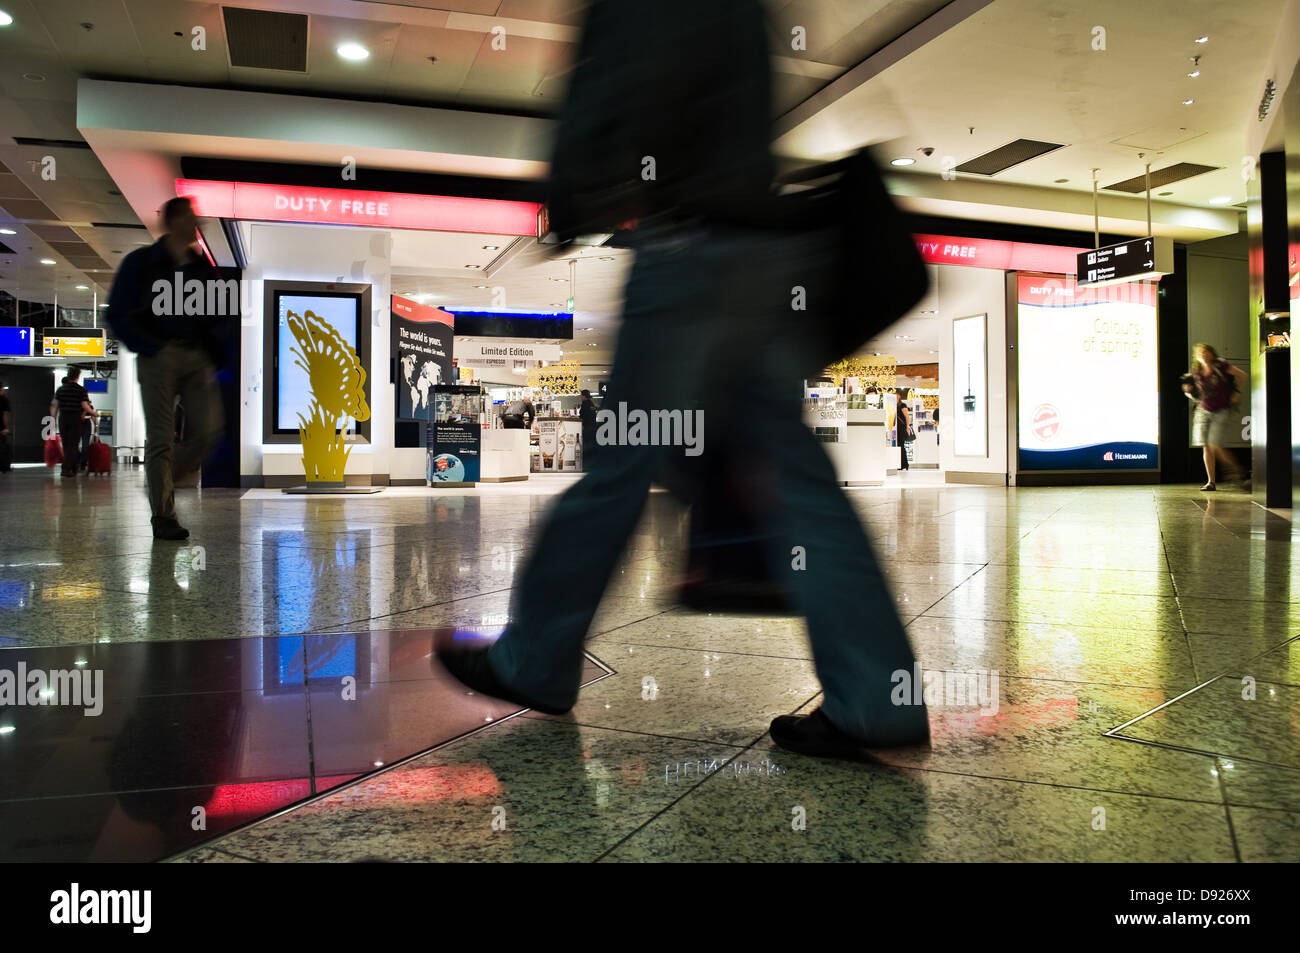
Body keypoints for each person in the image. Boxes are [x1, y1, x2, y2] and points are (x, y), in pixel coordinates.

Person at [438, 0, 929, 760]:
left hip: (690, 250)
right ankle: (877, 693)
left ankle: (534, 657)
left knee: (620, 462)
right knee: (799, 479)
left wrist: (573, 191)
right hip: (767, 251)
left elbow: (627, 77)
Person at [105, 196, 230, 539]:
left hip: (195, 358)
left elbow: (217, 318)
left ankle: (166, 479)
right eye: (192, 217)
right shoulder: (141, 263)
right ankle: (164, 516)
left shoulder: (201, 269)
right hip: (157, 356)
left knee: (208, 430)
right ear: (173, 222)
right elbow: (117, 314)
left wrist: (211, 358)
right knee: (160, 437)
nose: (198, 224)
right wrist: (149, 347)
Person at [1184, 343, 1248, 491]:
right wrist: (1188, 391)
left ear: (1212, 354)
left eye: (1207, 352)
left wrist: (1236, 394)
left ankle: (1237, 472)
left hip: (1221, 410)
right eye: (1201, 353)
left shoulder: (1221, 366)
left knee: (1215, 445)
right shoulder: (1196, 372)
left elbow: (1242, 375)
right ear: (1197, 357)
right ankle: (1211, 482)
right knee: (1206, 447)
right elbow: (1190, 391)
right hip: (1203, 410)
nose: (1204, 355)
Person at [51, 370, 97, 479]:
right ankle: (66, 468)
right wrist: (93, 413)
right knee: (73, 444)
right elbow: (85, 405)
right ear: (78, 376)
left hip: (63, 419)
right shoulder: (81, 390)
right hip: (75, 419)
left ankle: (72, 467)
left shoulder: (61, 389)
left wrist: (53, 418)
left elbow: (54, 405)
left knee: (66, 444)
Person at [578, 389, 597, 461]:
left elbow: (582, 415)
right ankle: (592, 460)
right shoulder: (591, 403)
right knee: (591, 443)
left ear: (584, 396)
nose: (581, 397)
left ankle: (587, 461)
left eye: (581, 396)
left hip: (587, 426)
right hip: (592, 426)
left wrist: (578, 418)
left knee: (586, 444)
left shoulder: (585, 403)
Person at [896, 391, 913, 471]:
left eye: (896, 395)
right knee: (898, 446)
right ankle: (900, 464)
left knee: (901, 446)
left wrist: (907, 427)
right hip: (896, 428)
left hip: (901, 428)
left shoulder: (902, 405)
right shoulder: (893, 405)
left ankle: (904, 464)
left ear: (899, 397)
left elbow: (907, 416)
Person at [0, 379, 12, 472]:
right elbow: (6, 414)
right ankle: (4, 466)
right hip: (1, 428)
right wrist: (6, 427)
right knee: (2, 447)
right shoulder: (3, 399)